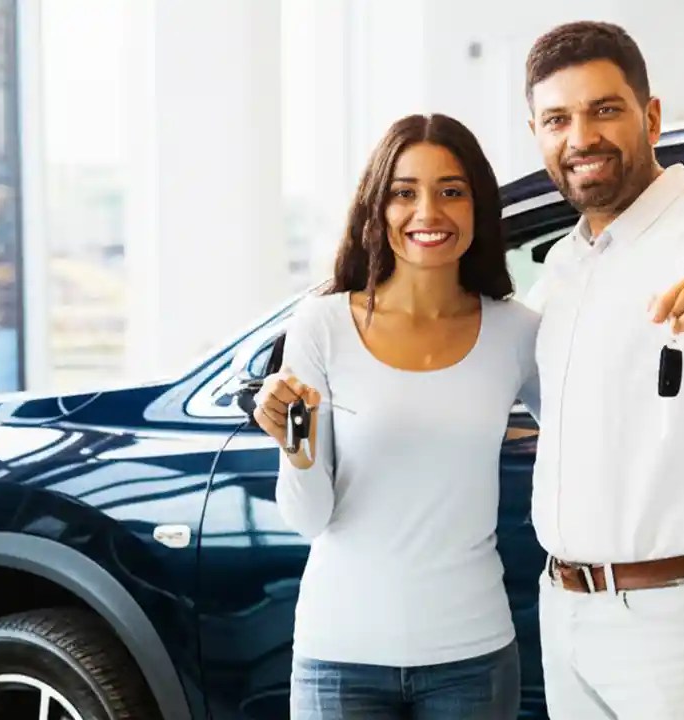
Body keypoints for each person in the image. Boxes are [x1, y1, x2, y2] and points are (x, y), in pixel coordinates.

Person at [521, 21, 684, 719]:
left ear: (652, 117)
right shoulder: (562, 268)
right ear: (537, 133)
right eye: (558, 119)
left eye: (604, 110)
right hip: (566, 612)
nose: (581, 137)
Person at [252, 113, 540, 720]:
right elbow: (308, 517)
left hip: (472, 657)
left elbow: (584, 439)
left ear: (478, 206)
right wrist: (294, 447)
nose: (428, 212)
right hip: (340, 657)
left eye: (451, 191)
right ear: (377, 207)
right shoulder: (323, 324)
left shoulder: (517, 332)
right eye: (405, 192)